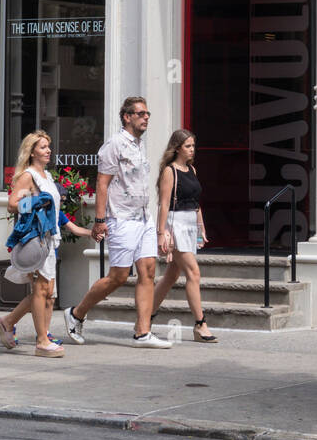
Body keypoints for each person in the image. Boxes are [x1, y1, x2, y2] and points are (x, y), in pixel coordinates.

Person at [62, 96, 172, 349]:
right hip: (121, 219)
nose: (146, 118)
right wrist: (100, 220)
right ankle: (77, 313)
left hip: (143, 217)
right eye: (141, 113)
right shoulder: (114, 144)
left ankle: (142, 332)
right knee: (119, 276)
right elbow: (102, 183)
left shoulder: (139, 144)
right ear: (127, 116)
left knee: (148, 271)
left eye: (148, 114)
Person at [0, 131, 89, 357]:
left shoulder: (46, 175)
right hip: (36, 238)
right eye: (43, 147)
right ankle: (42, 341)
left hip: (50, 238)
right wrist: (35, 202)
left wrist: (82, 230)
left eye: (48, 147)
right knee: (41, 289)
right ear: (32, 151)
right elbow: (12, 205)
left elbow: (54, 211)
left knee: (48, 291)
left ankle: (10, 323)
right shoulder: (29, 176)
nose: (48, 150)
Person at [150, 130, 217, 341]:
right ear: (177, 147)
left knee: (171, 275)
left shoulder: (192, 170)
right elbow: (164, 204)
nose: (192, 150)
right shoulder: (170, 171)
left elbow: (196, 202)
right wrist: (162, 233)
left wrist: (201, 226)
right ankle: (200, 324)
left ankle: (144, 317)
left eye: (193, 146)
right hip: (175, 225)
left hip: (189, 224)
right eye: (188, 146)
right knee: (193, 272)